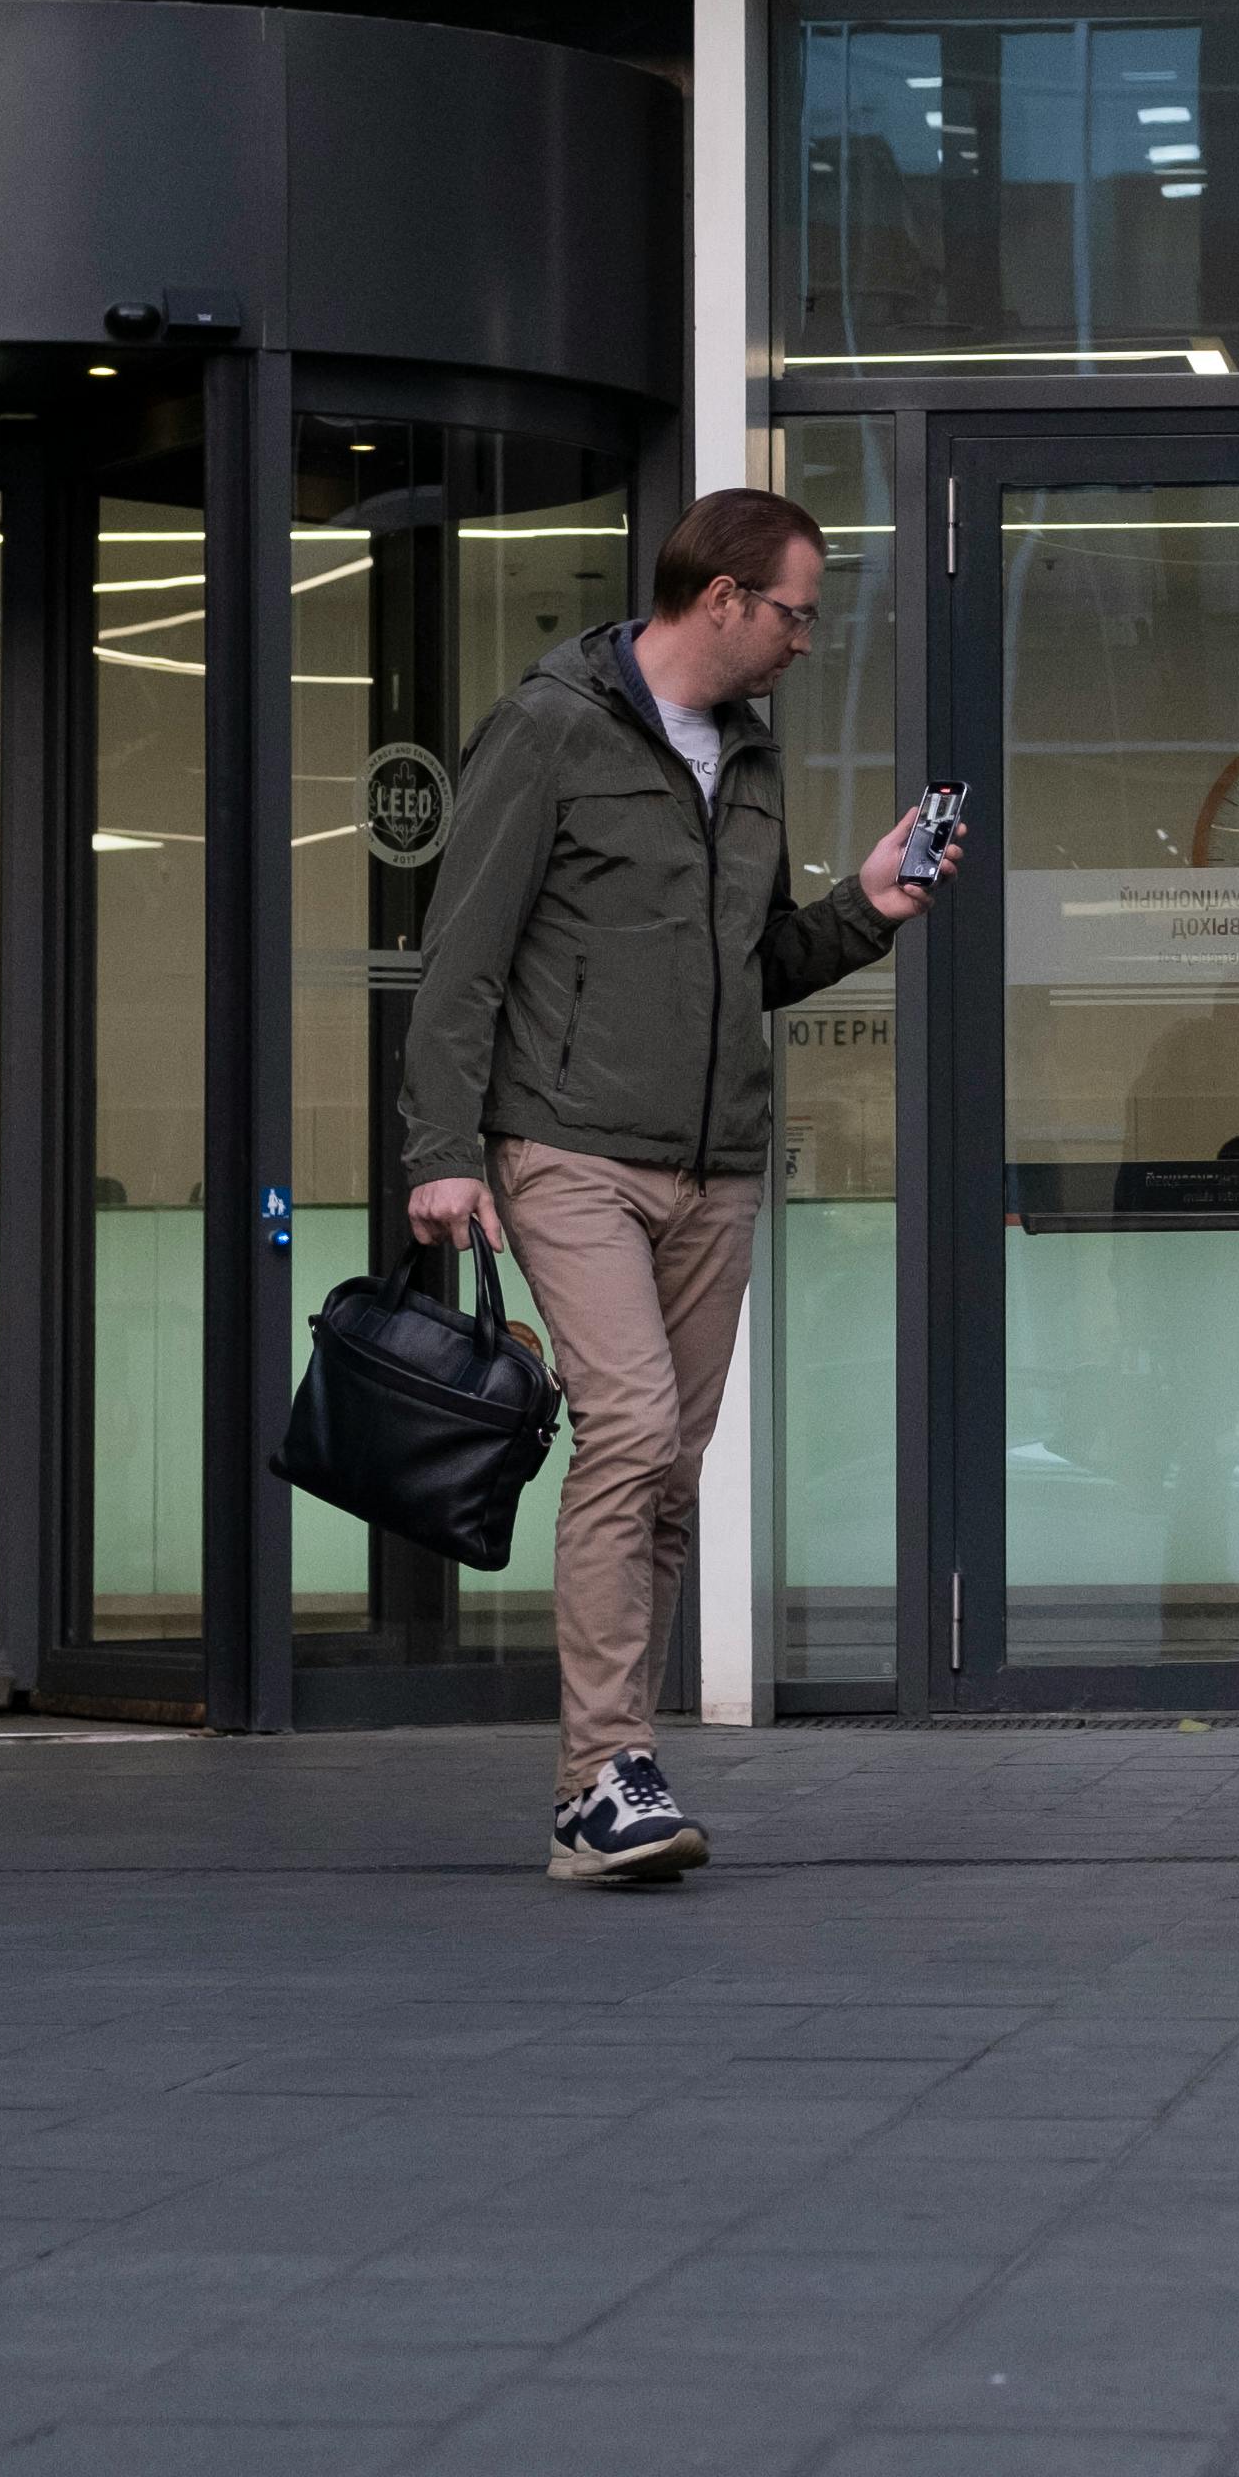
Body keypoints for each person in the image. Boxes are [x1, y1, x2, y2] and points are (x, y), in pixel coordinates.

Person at [398, 486, 943, 1882]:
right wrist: (442, 1152)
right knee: (630, 1430)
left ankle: (618, 1770)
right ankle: (599, 1776)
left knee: (671, 1478)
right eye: (797, 614)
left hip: (715, 1166)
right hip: (568, 1145)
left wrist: (869, 907)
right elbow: (463, 955)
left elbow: (757, 962)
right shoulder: (552, 727)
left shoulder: (748, 757)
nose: (808, 640)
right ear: (722, 598)